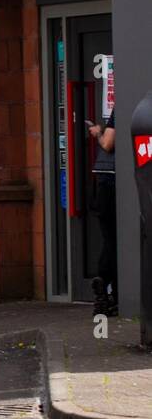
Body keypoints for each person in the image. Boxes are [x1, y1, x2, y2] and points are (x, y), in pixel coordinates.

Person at [89, 113, 118, 315]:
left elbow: (108, 143)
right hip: (117, 178)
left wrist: (98, 133)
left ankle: (103, 283)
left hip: (108, 181)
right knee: (117, 240)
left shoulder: (121, 107)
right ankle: (109, 294)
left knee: (111, 238)